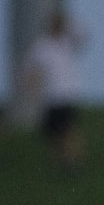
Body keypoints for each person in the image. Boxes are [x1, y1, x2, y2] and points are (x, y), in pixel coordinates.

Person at [21, 12, 87, 174]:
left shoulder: (66, 42)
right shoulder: (42, 46)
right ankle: (60, 162)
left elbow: (83, 36)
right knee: (51, 132)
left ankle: (72, 162)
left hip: (67, 93)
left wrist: (69, 23)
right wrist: (30, 87)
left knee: (68, 130)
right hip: (51, 95)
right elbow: (34, 69)